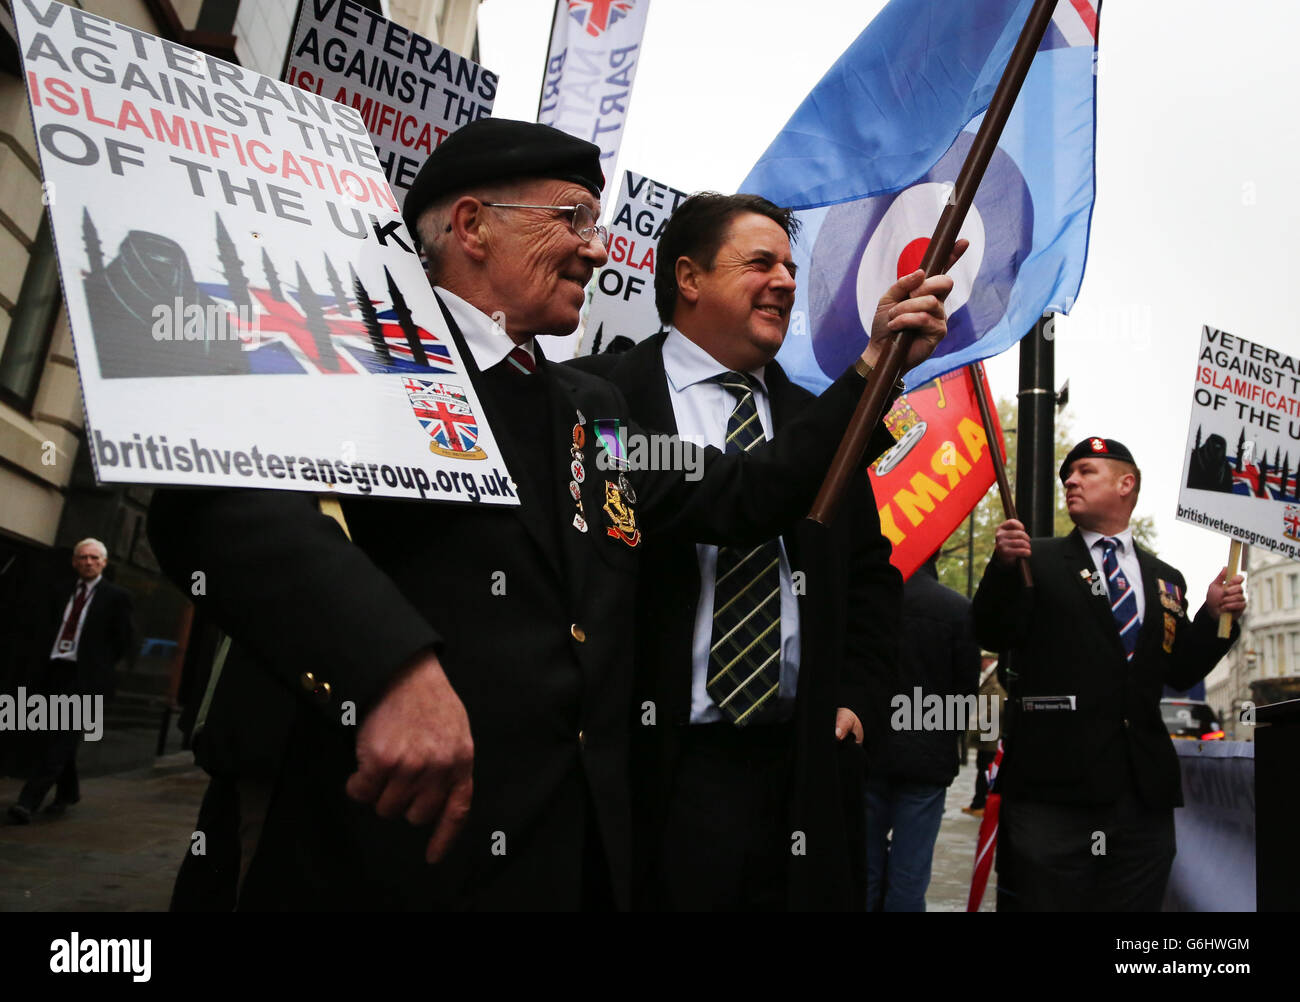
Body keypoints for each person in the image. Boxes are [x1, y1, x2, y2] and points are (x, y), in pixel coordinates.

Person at [146, 119, 958, 910]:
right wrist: (387, 666)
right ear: (472, 226)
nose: (597, 247)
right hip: (373, 846)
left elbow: (739, 494)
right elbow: (213, 503)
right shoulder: (354, 344)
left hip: (554, 856)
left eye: (597, 223)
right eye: (570, 218)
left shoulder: (589, 406)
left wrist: (872, 370)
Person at [571, 191, 923, 910]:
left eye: (791, 267)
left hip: (798, 774)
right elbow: (741, 496)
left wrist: (856, 699)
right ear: (689, 278)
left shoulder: (813, 419)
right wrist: (867, 375)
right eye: (760, 262)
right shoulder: (602, 400)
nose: (788, 281)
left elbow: (869, 577)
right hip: (653, 770)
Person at [972, 436, 1246, 911]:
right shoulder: (1034, 559)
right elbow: (993, 629)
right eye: (1067, 476)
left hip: (1139, 801)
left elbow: (1178, 669)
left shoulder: (1167, 578)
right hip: (1051, 795)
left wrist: (1213, 616)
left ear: (1126, 483)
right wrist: (1000, 568)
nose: (1071, 481)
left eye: (1085, 471)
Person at [865, 554, 979, 911]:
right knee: (910, 874)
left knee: (865, 868)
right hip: (927, 755)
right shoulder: (958, 609)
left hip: (870, 751)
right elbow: (965, 691)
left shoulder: (868, 604)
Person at [7, 539, 132, 824]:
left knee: (62, 738)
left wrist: (99, 667)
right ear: (74, 562)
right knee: (56, 735)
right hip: (55, 671)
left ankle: (28, 801)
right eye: (83, 557)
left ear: (104, 563)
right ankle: (68, 792)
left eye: (94, 558)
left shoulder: (116, 597)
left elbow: (123, 641)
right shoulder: (59, 591)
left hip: (85, 677)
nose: (88, 562)